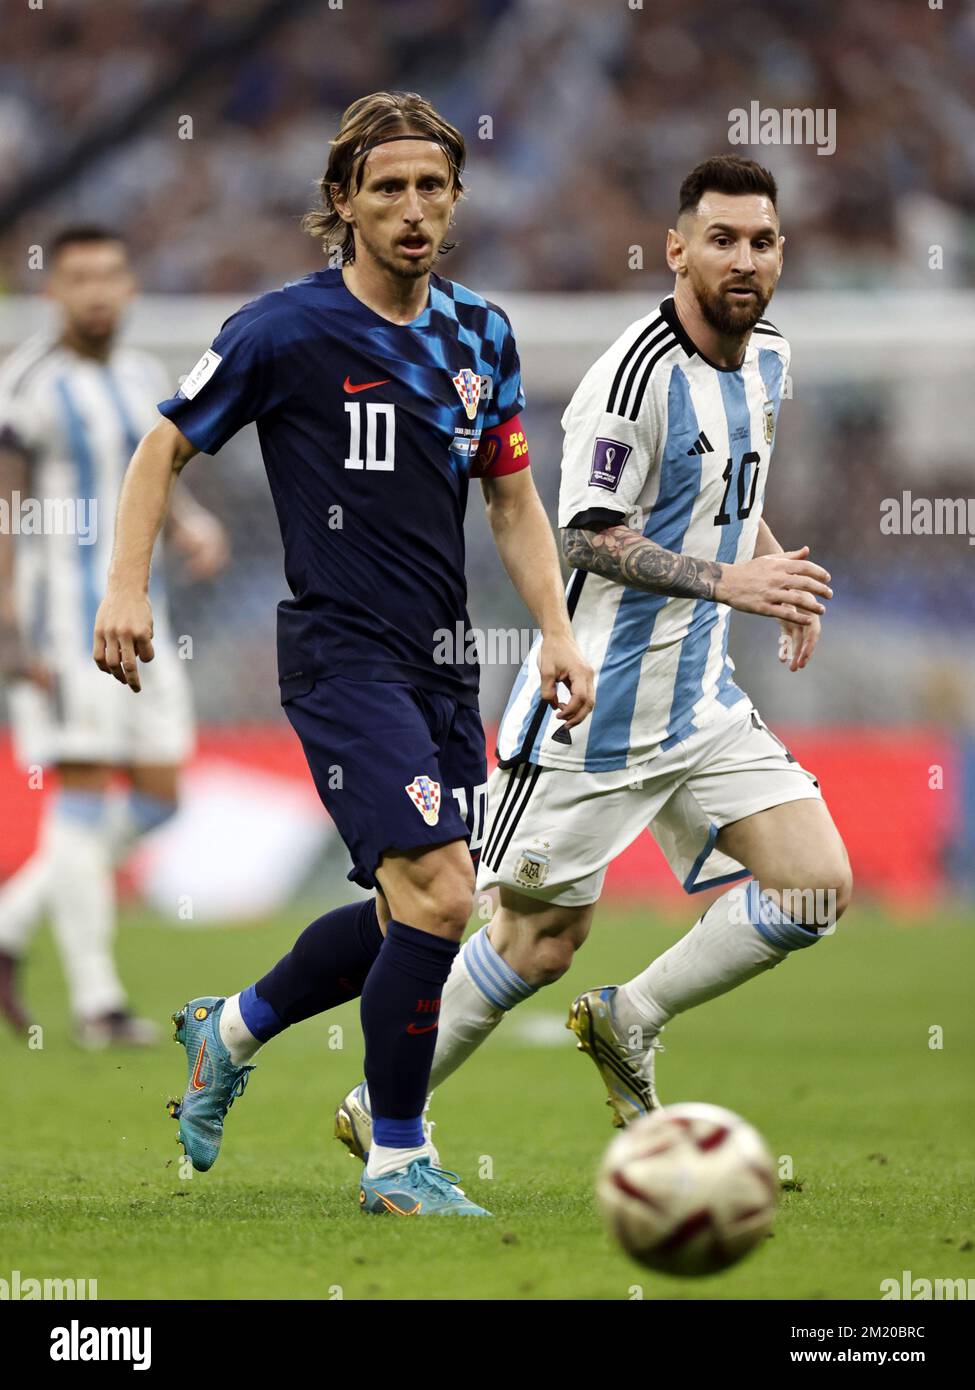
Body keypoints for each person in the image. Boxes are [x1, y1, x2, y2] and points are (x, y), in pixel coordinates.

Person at [93, 92, 593, 1215]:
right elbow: (161, 447)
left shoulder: (481, 334)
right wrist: (126, 588)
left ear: (455, 198)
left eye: (431, 187)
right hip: (341, 655)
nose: (413, 209)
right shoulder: (286, 329)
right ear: (342, 204)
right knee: (443, 894)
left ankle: (227, 1029)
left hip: (446, 665)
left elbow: (512, 501)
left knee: (405, 909)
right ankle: (398, 1160)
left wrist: (555, 631)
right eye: (387, 189)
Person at [327, 153, 853, 1155]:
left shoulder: (772, 357)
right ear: (676, 250)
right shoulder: (632, 375)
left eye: (762, 241)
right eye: (721, 240)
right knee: (536, 942)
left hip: (700, 705)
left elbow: (723, 494)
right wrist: (730, 583)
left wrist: (774, 569)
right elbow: (588, 533)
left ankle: (633, 1018)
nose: (743, 259)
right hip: (588, 715)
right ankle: (378, 1105)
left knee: (817, 885)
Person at [0, 226, 228, 1046]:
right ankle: (99, 1005)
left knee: (163, 794)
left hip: (142, 616)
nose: (96, 291)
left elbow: (155, 475)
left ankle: (10, 920)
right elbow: (5, 508)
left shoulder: (141, 379)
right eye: (78, 277)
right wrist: (5, 625)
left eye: (109, 275)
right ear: (51, 291)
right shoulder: (25, 384)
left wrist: (193, 522)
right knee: (86, 792)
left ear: (129, 286)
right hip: (60, 623)